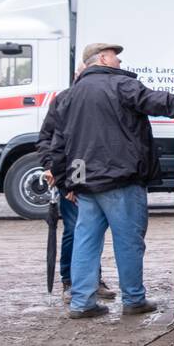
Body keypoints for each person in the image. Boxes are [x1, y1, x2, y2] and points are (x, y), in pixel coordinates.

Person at [46, 42, 174, 319]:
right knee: (129, 241)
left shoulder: (69, 95)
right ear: (102, 58)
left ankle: (81, 303)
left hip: (85, 183)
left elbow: (60, 145)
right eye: (116, 58)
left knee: (86, 242)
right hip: (121, 179)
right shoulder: (119, 85)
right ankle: (134, 299)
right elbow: (158, 102)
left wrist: (69, 184)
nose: (121, 63)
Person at [38, 63, 114, 301]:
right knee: (75, 228)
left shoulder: (94, 98)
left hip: (95, 171)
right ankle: (70, 281)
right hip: (72, 170)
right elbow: (46, 138)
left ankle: (90, 279)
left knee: (92, 229)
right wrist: (52, 167)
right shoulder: (65, 99)